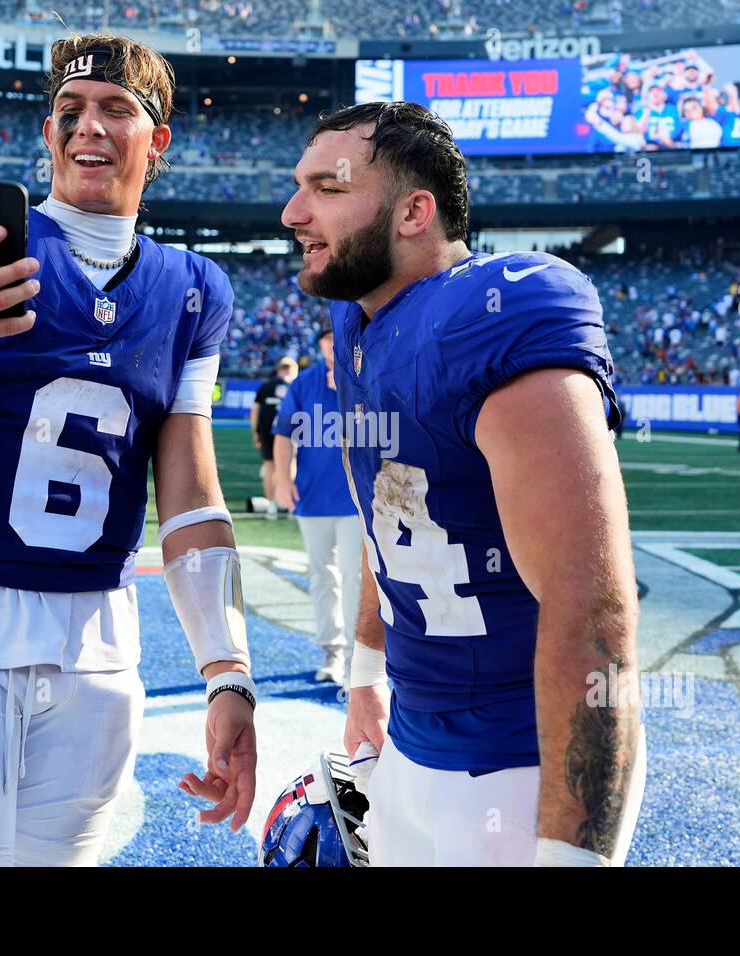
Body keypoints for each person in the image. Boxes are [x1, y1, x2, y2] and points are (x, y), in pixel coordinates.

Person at [0, 34, 256, 866]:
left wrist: (227, 673)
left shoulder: (191, 289)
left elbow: (189, 495)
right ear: (47, 134)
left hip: (97, 649)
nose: (89, 127)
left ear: (159, 140)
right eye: (69, 111)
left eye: (117, 109)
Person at [281, 101, 645, 867]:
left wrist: (572, 856)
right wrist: (367, 673)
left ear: (415, 211)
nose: (293, 212)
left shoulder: (504, 308)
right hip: (415, 741)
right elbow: (391, 514)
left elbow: (594, 608)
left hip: (516, 770)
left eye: (327, 188)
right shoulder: (358, 322)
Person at [270, 324, 363, 685]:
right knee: (323, 577)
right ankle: (332, 652)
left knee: (355, 578)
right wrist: (282, 480)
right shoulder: (304, 383)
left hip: (357, 498)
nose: (331, 345)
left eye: (337, 339)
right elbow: (283, 434)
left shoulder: (364, 374)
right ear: (320, 344)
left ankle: (359, 657)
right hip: (312, 496)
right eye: (326, 340)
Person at [250, 357, 298, 510]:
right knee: (290, 464)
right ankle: (291, 504)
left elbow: (255, 410)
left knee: (269, 465)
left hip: (267, 431)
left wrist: (255, 431)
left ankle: (271, 504)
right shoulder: (296, 386)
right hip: (289, 431)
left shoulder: (265, 386)